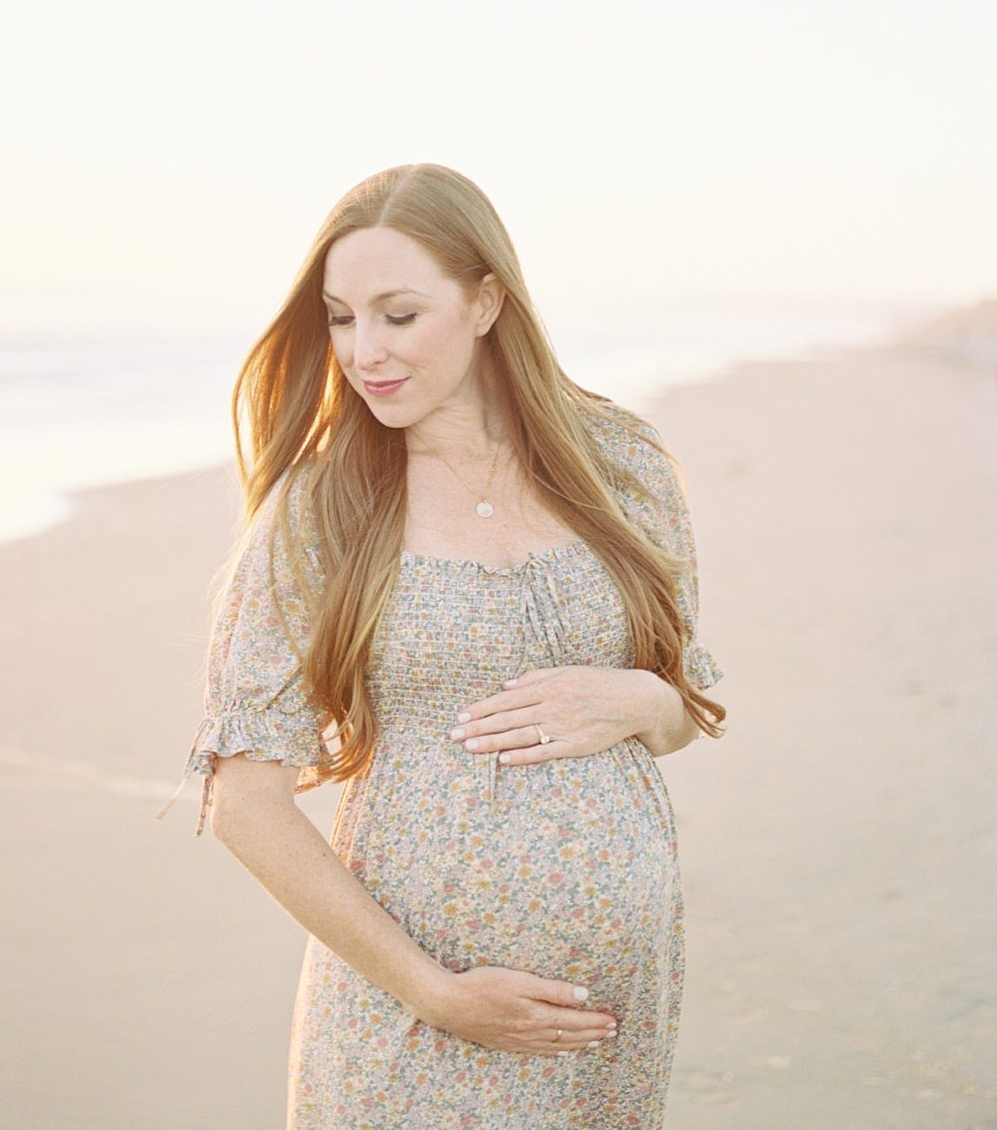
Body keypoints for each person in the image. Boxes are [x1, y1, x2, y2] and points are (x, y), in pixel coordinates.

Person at [156, 162, 725, 1128]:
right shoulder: (322, 512)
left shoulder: (621, 464)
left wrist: (640, 703)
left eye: (398, 314)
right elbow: (246, 800)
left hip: (607, 1026)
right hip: (410, 1019)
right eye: (340, 317)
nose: (362, 351)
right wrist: (433, 990)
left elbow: (686, 701)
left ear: (487, 301)